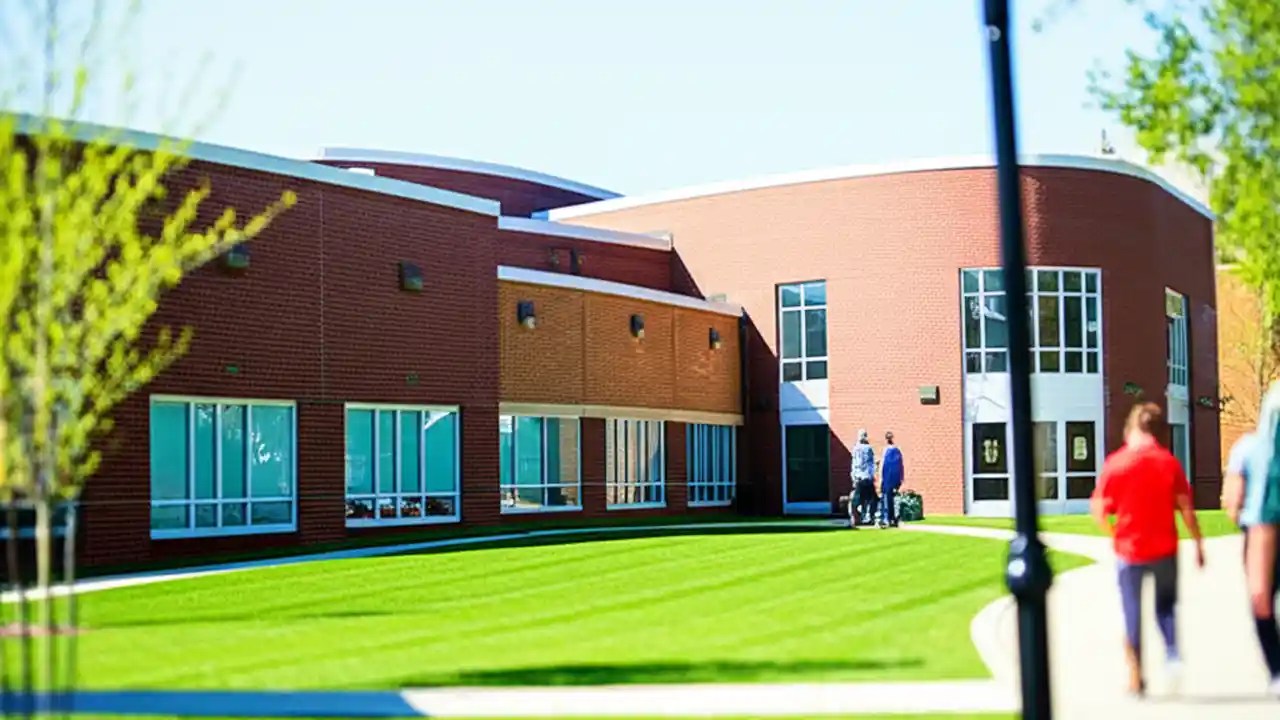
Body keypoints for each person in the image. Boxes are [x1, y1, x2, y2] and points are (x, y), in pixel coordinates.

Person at [1091, 401, 1205, 696]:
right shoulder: (1168, 462)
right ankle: (1172, 654)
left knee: (1132, 612)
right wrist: (1199, 544)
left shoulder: (1116, 463)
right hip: (1164, 546)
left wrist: (1114, 533)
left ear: (1132, 428)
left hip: (1129, 550)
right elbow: (1186, 508)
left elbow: (1100, 509)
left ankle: (1136, 676)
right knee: (1165, 607)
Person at [1224, 384, 1280, 696]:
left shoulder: (1246, 447)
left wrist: (1240, 516)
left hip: (1260, 527)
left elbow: (1232, 501)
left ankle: (1276, 669)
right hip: (1263, 523)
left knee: (1261, 599)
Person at [850, 429, 877, 528]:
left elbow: (854, 464)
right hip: (867, 478)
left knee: (857, 500)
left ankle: (856, 518)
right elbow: (871, 463)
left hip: (859, 478)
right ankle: (870, 517)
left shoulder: (856, 448)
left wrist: (853, 477)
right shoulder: (868, 448)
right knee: (872, 499)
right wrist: (872, 475)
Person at [879, 431, 904, 528]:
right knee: (894, 498)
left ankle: (887, 519)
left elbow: (882, 466)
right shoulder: (897, 451)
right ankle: (894, 518)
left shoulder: (886, 451)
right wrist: (901, 478)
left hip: (887, 478)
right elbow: (900, 466)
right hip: (896, 478)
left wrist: (880, 478)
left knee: (886, 499)